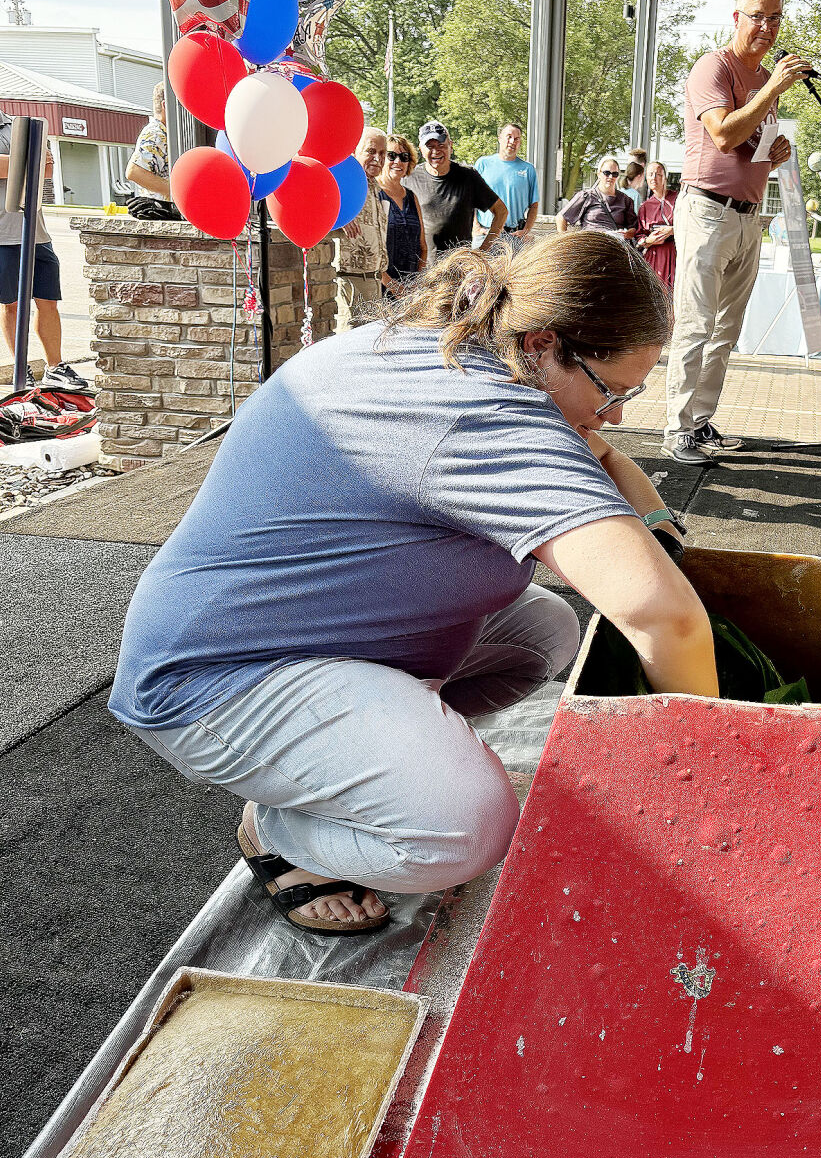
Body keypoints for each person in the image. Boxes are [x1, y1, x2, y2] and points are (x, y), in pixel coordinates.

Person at [108, 232, 713, 935]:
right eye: (612, 391)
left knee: (544, 629)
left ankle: (374, 764)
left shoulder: (471, 345)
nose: (615, 414)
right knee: (467, 831)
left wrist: (662, 535)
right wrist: (698, 787)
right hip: (212, 679)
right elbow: (661, 617)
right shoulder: (483, 412)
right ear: (547, 342)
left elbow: (607, 459)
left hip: (295, 627)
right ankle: (282, 830)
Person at [664, 0, 804, 465]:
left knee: (727, 329)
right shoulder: (713, 66)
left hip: (748, 215)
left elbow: (748, 146)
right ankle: (676, 429)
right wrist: (771, 93)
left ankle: (700, 423)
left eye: (775, 18)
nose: (767, 28)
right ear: (737, 17)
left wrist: (775, 151)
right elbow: (722, 135)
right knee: (697, 324)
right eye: (758, 17)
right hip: (707, 209)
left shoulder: (767, 81)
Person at [0, 60, 87, 391]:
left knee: (47, 300)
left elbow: (48, 171)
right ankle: (22, 371)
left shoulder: (23, 123)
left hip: (35, 229)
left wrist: (3, 166)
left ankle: (56, 368)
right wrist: (25, 160)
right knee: (11, 304)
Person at [409, 120, 506, 254]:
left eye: (441, 145)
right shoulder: (410, 178)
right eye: (429, 146)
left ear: (450, 145)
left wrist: (483, 251)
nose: (436, 151)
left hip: (459, 267)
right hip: (422, 268)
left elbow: (501, 211)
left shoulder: (468, 176)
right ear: (421, 149)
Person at [333, 128, 391, 328]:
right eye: (371, 151)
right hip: (351, 281)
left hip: (374, 282)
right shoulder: (340, 183)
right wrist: (338, 216)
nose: (378, 158)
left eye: (383, 153)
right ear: (355, 152)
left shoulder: (375, 187)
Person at [474, 123, 539, 242]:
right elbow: (469, 199)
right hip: (485, 235)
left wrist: (526, 230)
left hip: (514, 237)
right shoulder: (482, 164)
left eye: (516, 138)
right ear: (499, 138)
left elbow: (534, 205)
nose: (512, 141)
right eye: (508, 136)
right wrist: (476, 228)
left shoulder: (528, 170)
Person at [379, 132, 426, 293]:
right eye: (391, 156)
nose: (398, 161)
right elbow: (371, 251)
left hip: (411, 290)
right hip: (380, 289)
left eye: (404, 157)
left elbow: (423, 247)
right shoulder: (372, 194)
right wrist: (394, 287)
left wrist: (417, 283)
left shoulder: (412, 197)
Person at [559, 157, 639, 239]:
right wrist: (565, 242)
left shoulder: (625, 200)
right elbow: (561, 217)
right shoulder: (586, 196)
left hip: (614, 246)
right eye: (606, 173)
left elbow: (633, 227)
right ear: (599, 174)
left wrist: (627, 234)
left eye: (615, 174)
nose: (610, 177)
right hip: (591, 245)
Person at [124, 84, 175, 209]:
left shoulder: (162, 132)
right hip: (161, 210)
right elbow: (134, 172)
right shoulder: (156, 134)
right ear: (165, 106)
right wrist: (175, 192)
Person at [636, 160, 677, 289]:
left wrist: (673, 230)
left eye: (658, 174)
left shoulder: (678, 199)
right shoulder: (645, 206)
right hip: (655, 257)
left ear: (665, 176)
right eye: (650, 174)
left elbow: (690, 225)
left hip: (676, 254)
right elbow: (639, 236)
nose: (654, 178)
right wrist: (649, 240)